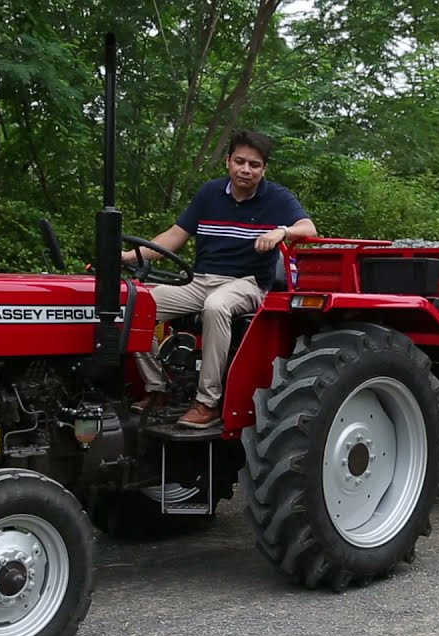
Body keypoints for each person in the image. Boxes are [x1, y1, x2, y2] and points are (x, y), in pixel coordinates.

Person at [126, 129, 317, 429]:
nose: (246, 169)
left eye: (254, 164)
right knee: (137, 303)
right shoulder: (210, 194)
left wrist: (282, 231)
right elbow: (174, 237)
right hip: (200, 280)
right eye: (240, 161)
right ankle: (158, 387)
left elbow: (308, 229)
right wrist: (127, 256)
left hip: (247, 283)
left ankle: (207, 402)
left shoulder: (277, 198)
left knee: (216, 306)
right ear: (228, 161)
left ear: (263, 169)